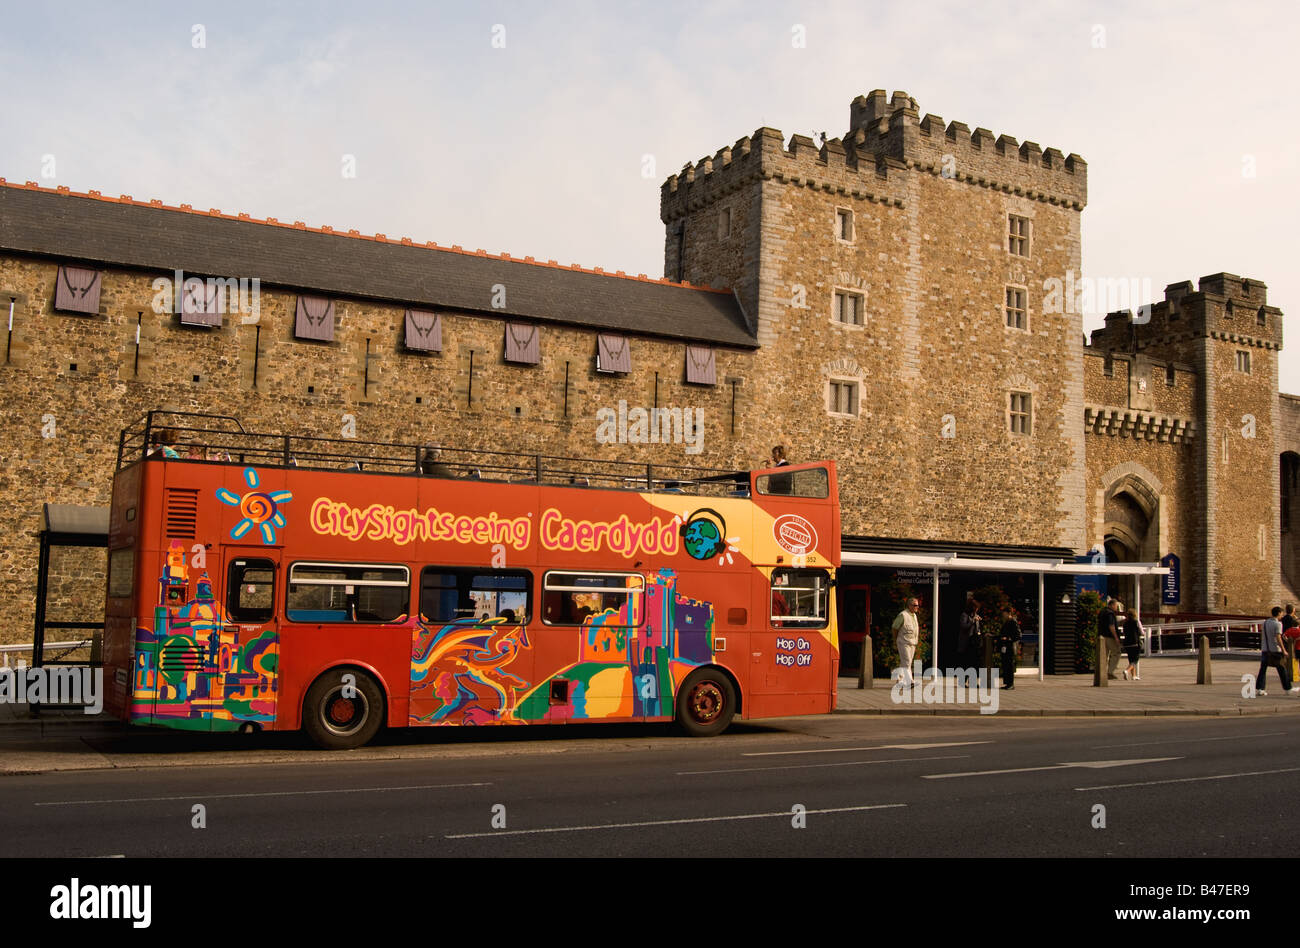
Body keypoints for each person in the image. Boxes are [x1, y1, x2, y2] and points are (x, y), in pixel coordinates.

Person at [1257, 606, 1295, 696]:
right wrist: (1284, 650)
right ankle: (1288, 688)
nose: (1282, 615)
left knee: (1263, 670)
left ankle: (1260, 689)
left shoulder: (1265, 623)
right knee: (1282, 669)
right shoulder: (1278, 624)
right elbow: (1278, 638)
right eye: (1281, 613)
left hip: (1265, 649)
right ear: (1278, 613)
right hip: (1275, 650)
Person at [892, 597, 920, 689]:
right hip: (903, 642)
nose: (917, 607)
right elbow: (895, 627)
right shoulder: (903, 615)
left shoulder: (914, 616)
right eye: (915, 605)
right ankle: (910, 681)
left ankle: (899, 680)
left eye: (917, 605)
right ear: (909, 605)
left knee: (906, 662)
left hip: (912, 643)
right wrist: (896, 639)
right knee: (907, 662)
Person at [1097, 598, 1123, 680]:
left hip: (1101, 636)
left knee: (1104, 655)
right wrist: (1116, 637)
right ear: (1111, 605)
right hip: (1109, 637)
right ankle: (1110, 672)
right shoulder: (1110, 614)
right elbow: (1111, 626)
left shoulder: (1102, 612)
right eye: (1116, 606)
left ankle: (1101, 672)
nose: (1116, 608)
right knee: (1116, 652)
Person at [998, 608, 1019, 689]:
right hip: (1005, 647)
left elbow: (1018, 635)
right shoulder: (1006, 622)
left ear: (1009, 613)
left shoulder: (1013, 622)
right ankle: (1007, 683)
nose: (1003, 615)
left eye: (1005, 613)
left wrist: (1008, 638)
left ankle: (1011, 684)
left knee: (1009, 665)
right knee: (1005, 664)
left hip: (1009, 647)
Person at [958, 599, 982, 669]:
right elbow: (964, 626)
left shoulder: (976, 616)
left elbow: (978, 629)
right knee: (965, 664)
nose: (977, 610)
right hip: (966, 643)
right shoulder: (964, 615)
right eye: (976, 608)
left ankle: (971, 679)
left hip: (974, 643)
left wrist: (979, 632)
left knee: (973, 664)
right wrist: (973, 621)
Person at [1121, 608, 1144, 680]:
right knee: (1135, 660)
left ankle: (1134, 675)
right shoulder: (1136, 621)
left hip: (1127, 643)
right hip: (1135, 643)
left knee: (1130, 659)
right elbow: (1141, 632)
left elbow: (1124, 632)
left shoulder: (1125, 623)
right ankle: (1127, 670)